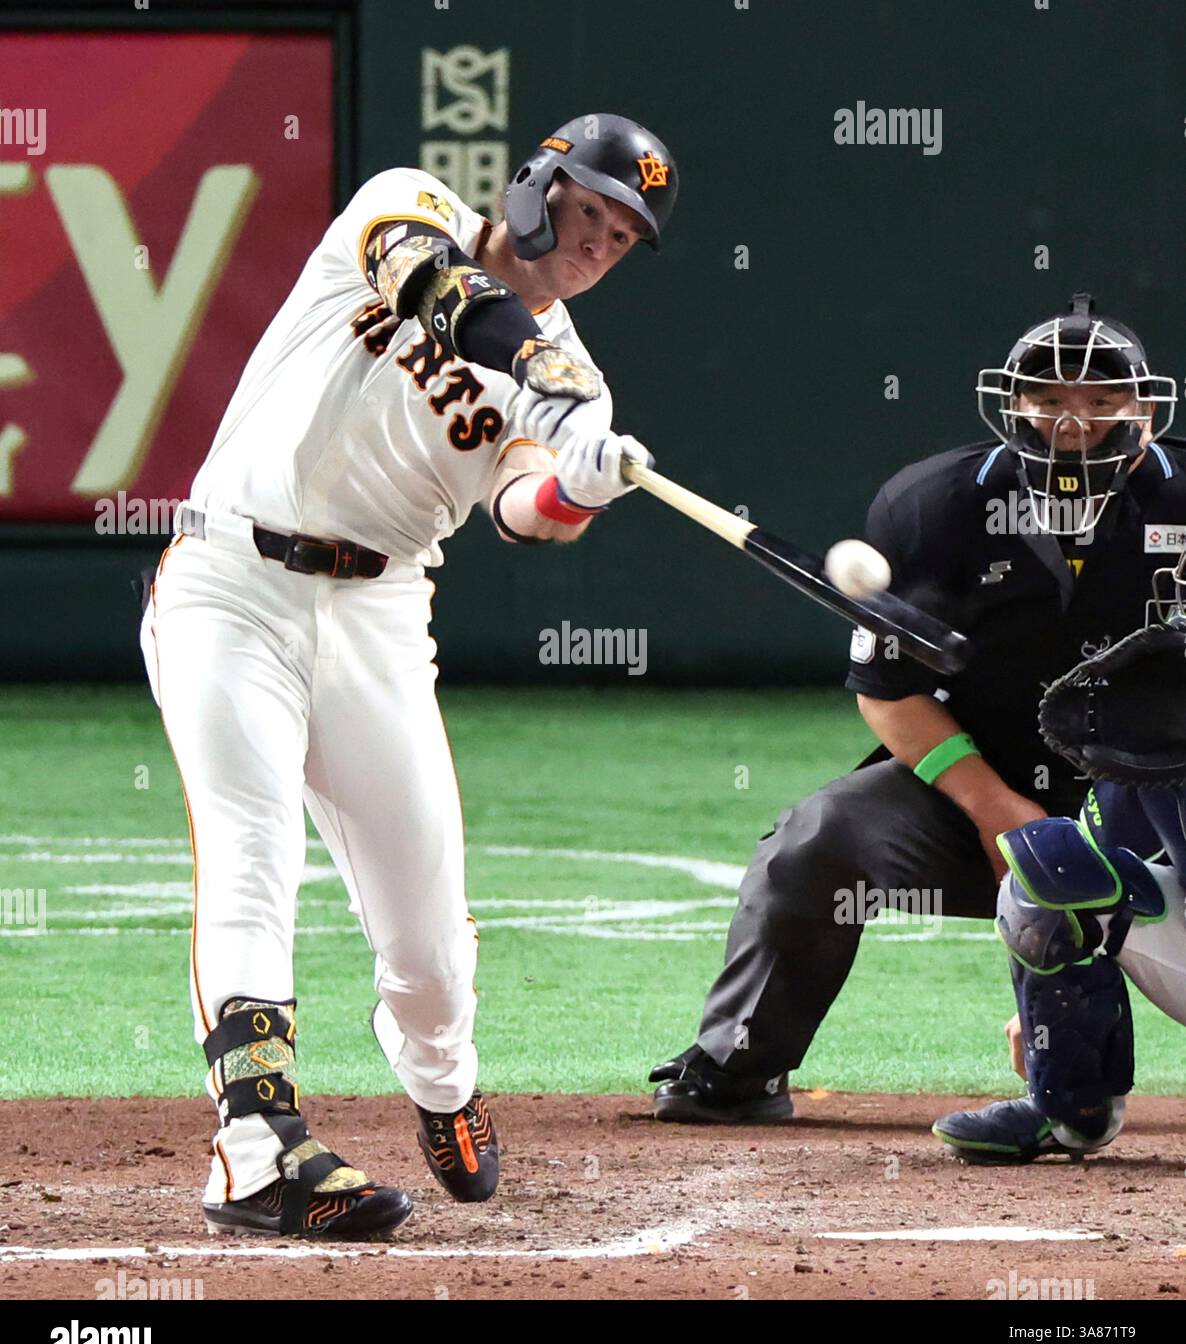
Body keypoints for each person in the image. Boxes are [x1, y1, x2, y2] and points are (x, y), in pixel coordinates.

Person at [141, 113, 678, 1237]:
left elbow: (524, 514)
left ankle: (439, 1082)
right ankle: (254, 1147)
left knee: (429, 950)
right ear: (538, 182)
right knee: (254, 848)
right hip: (230, 579)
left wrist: (581, 481)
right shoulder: (411, 204)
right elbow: (435, 290)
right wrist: (542, 371)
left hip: (380, 616)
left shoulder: (573, 381)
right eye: (590, 211)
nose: (598, 245)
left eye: (623, 237)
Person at [649, 294, 1184, 1124]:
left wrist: (1069, 977)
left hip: (1160, 809)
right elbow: (891, 695)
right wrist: (993, 808)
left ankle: (1082, 1052)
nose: (1072, 419)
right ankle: (736, 1070)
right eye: (1048, 398)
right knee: (816, 841)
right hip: (974, 789)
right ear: (1013, 402)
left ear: (1143, 407)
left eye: (1101, 399)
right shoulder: (933, 506)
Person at [933, 553, 1186, 1163]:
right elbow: (1078, 863)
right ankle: (1073, 1108)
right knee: (1047, 882)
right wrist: (1053, 1012)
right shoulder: (1163, 715)